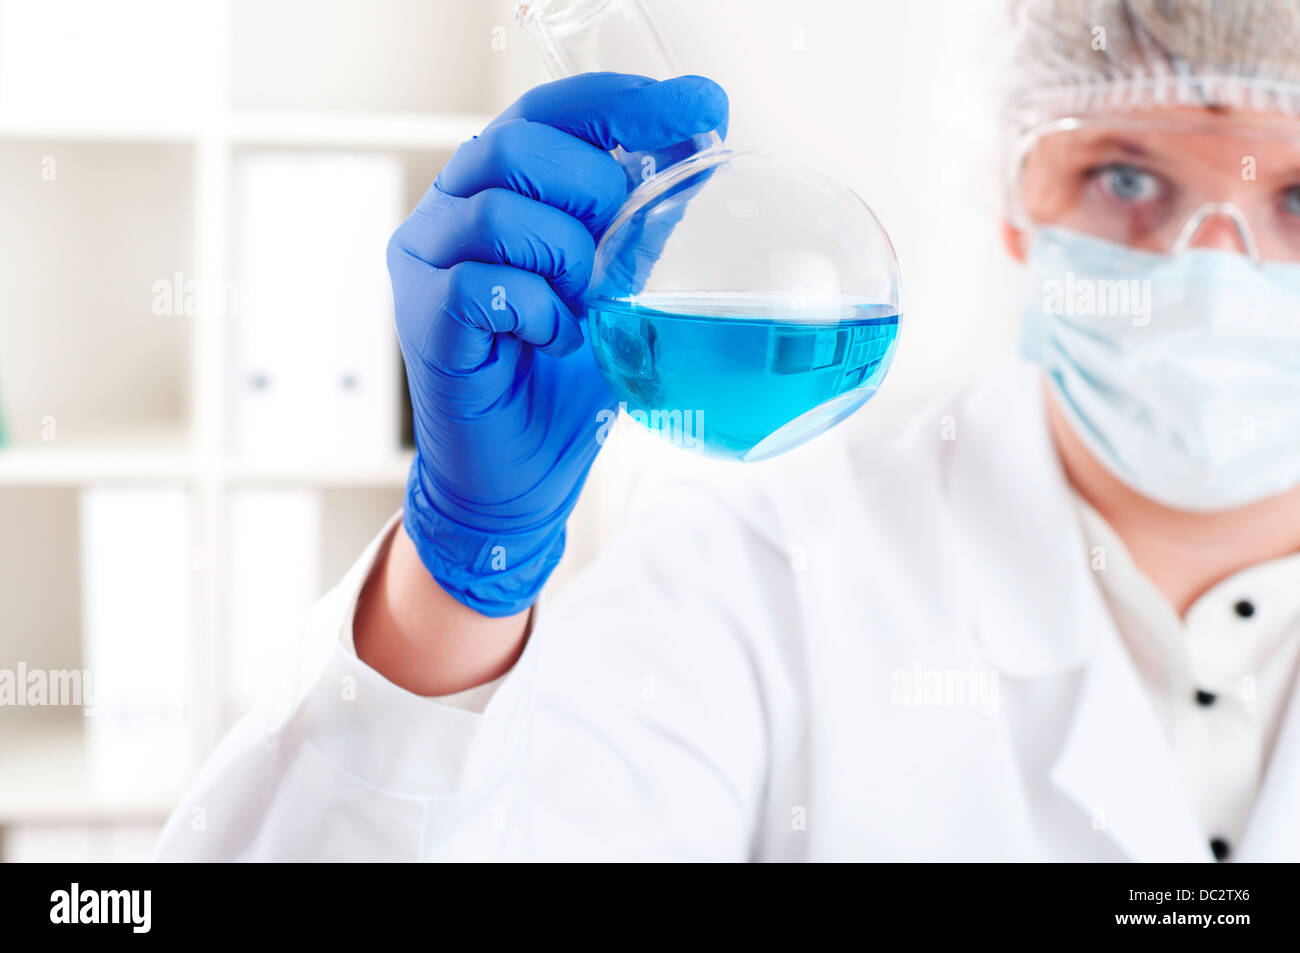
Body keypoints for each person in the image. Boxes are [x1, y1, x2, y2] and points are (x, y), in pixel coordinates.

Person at [156, 0, 1300, 861]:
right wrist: (462, 576)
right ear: (1012, 205)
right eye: (1124, 176)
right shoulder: (755, 564)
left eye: (1295, 198)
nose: (1211, 264)